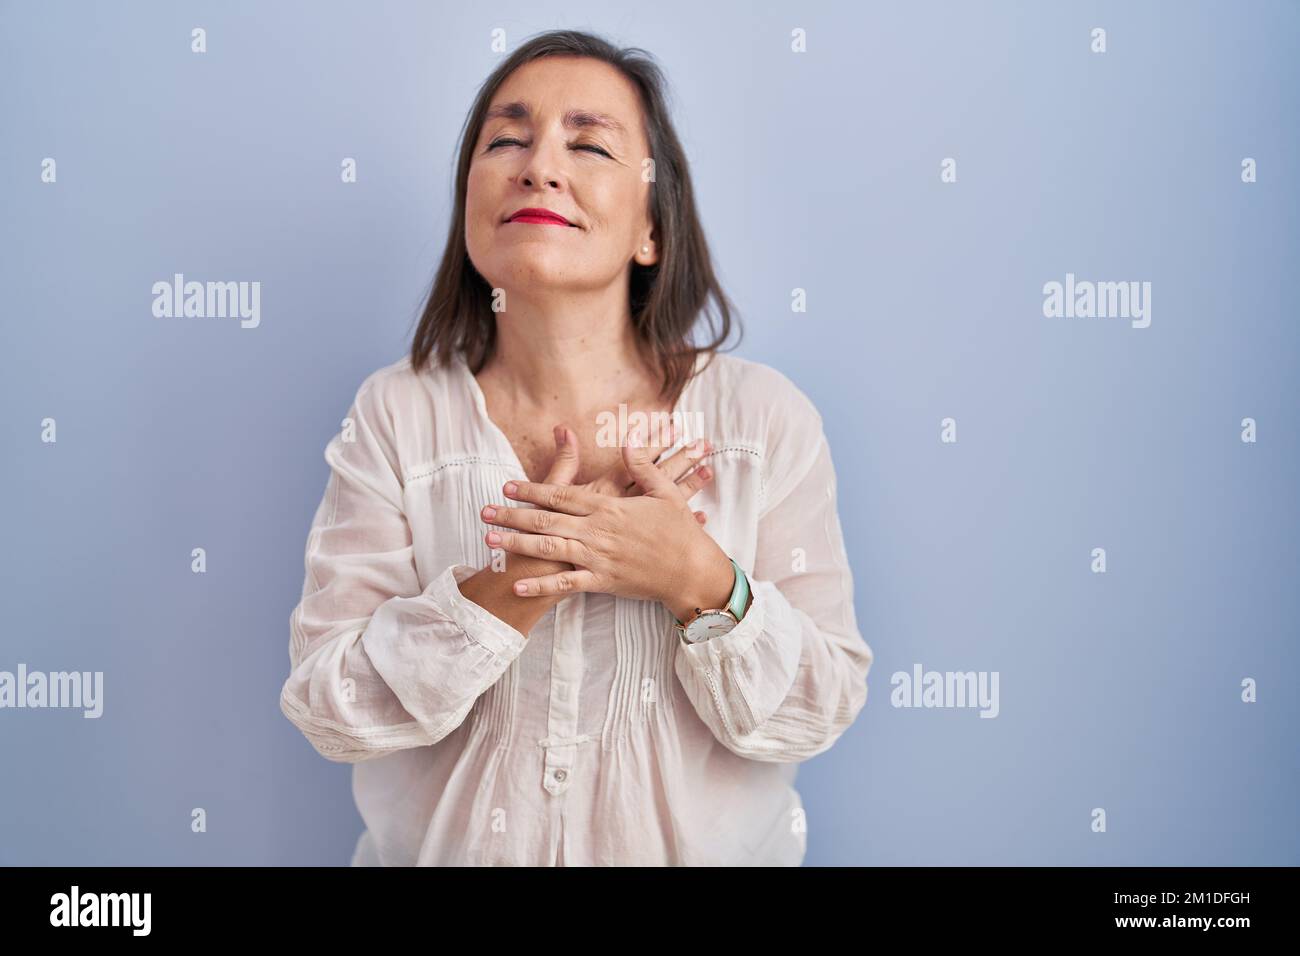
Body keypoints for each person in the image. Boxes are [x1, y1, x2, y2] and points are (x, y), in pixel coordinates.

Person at [279, 29, 872, 866]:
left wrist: (696, 580)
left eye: (588, 143)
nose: (538, 166)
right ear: (471, 208)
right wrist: (521, 581)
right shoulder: (395, 414)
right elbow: (330, 710)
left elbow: (817, 706)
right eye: (506, 140)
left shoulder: (765, 422)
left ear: (652, 230)